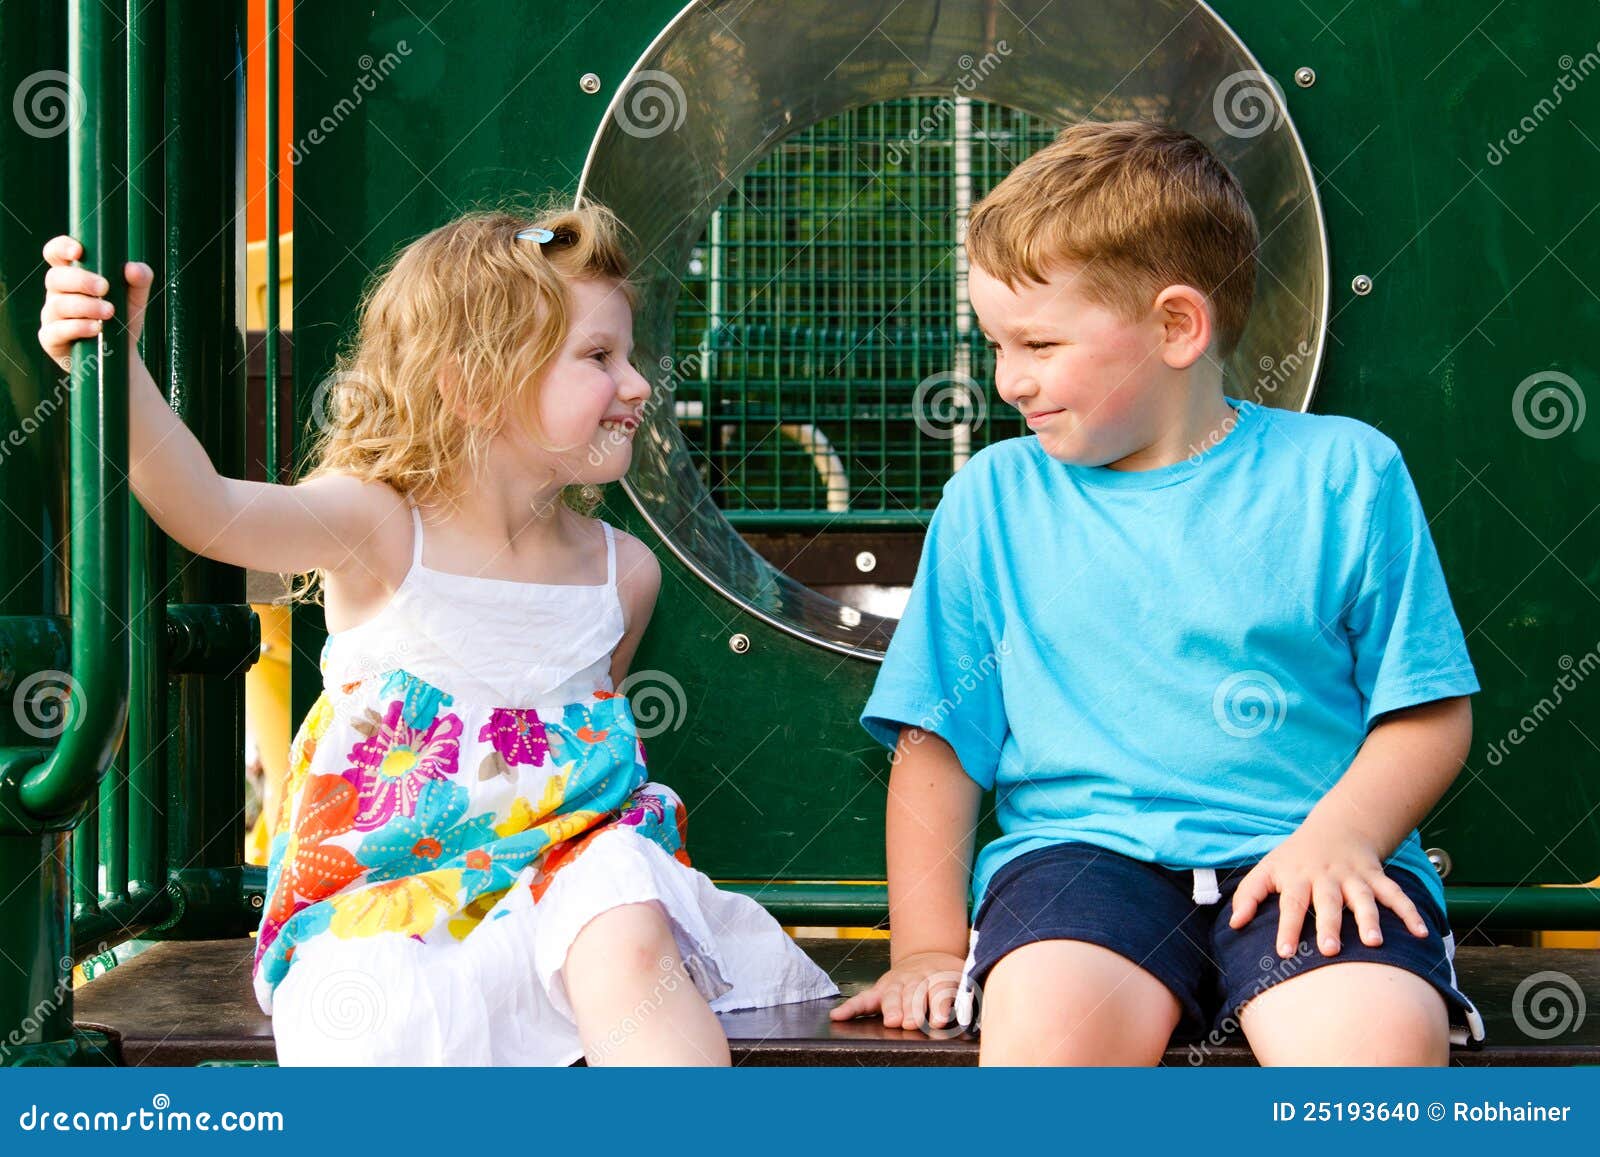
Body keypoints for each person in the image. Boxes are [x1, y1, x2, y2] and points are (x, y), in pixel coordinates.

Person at [38, 204, 836, 1066]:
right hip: (393, 898)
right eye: (600, 358)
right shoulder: (380, 526)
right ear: (473, 383)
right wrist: (116, 368)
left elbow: (571, 761)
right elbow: (211, 510)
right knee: (385, 1009)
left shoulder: (621, 572)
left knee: (622, 908)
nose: (638, 383)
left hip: (571, 875)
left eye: (629, 355)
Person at [832, 121, 1483, 1065]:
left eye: (1039, 343)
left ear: (1177, 325)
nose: (1009, 380)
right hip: (1084, 864)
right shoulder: (995, 497)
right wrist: (927, 948)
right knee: (1050, 1039)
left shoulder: (1344, 472)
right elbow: (938, 741)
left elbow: (1427, 710)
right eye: (995, 343)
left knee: (1371, 1046)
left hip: (1312, 852)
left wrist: (1342, 837)